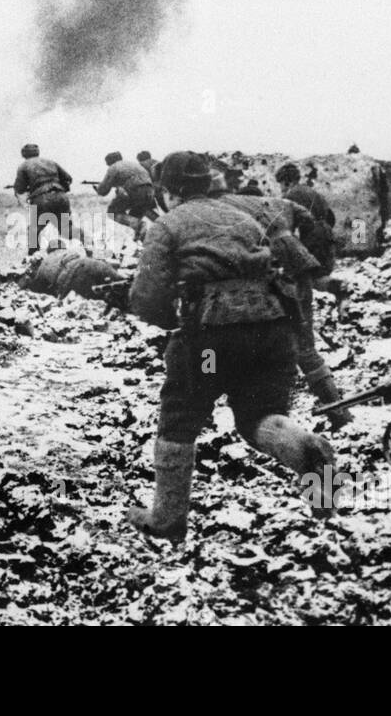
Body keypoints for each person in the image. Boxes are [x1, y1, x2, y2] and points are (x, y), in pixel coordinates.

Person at [125, 151, 335, 541]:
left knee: (182, 413)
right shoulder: (244, 216)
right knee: (261, 415)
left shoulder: (168, 225)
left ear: (168, 192)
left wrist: (169, 321)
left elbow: (147, 296)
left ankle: (169, 518)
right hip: (272, 332)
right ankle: (304, 448)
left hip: (211, 344)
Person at [205, 170, 352, 428]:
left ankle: (253, 414)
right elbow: (308, 218)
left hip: (269, 269)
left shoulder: (211, 212)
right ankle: (338, 413)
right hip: (295, 257)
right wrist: (296, 243)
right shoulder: (265, 201)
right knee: (305, 346)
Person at [13, 144, 84, 255]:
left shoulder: (24, 166)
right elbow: (68, 178)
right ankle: (89, 250)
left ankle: (33, 259)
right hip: (61, 197)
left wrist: (31, 188)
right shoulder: (51, 162)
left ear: (24, 154)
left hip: (42, 199)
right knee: (66, 229)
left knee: (34, 231)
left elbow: (19, 188)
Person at [19, 240, 120, 300]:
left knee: (94, 298)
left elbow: (38, 290)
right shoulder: (69, 251)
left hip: (70, 277)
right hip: (88, 262)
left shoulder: (45, 263)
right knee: (118, 281)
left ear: (48, 251)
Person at [93, 151, 159, 240]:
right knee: (134, 216)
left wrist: (98, 189)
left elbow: (103, 191)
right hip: (150, 191)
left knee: (112, 212)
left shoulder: (113, 167)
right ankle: (140, 240)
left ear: (109, 162)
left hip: (135, 190)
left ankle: (140, 226)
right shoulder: (134, 164)